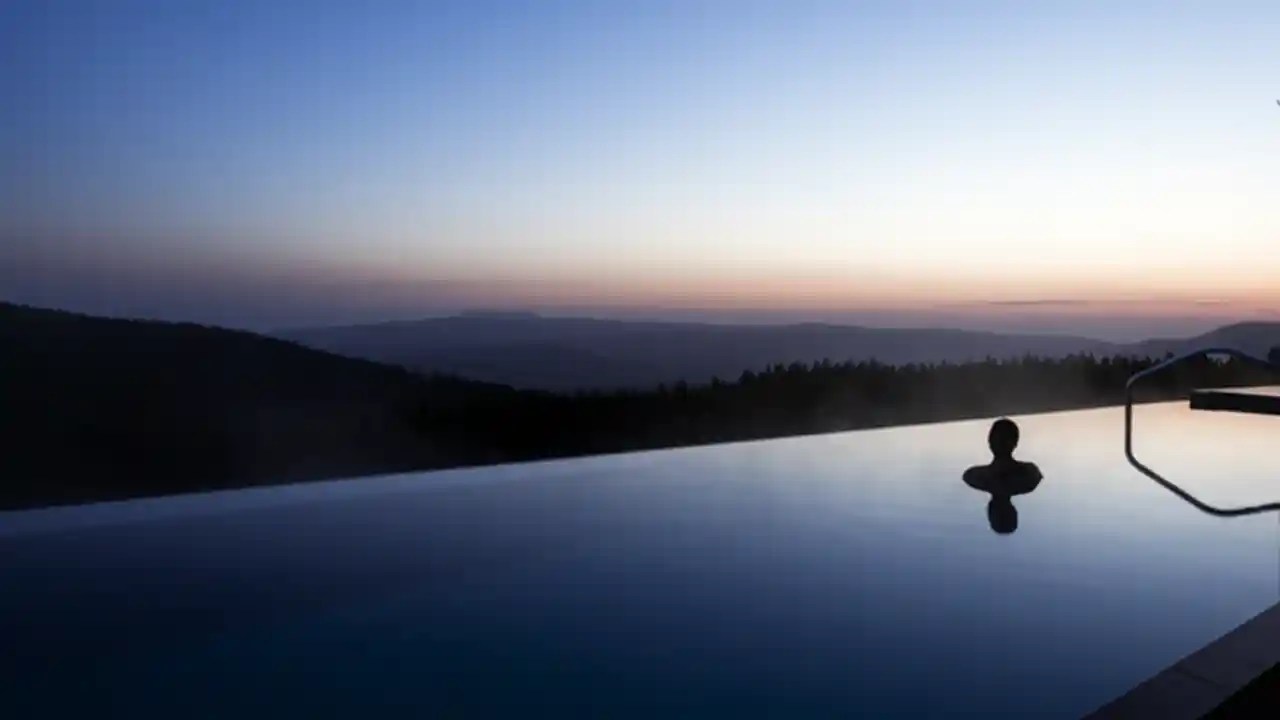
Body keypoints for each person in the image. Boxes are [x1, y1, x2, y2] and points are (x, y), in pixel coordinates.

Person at [962, 418, 1043, 534]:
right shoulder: (1030, 476)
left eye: (1003, 439)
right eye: (998, 439)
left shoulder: (973, 476)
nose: (1000, 442)